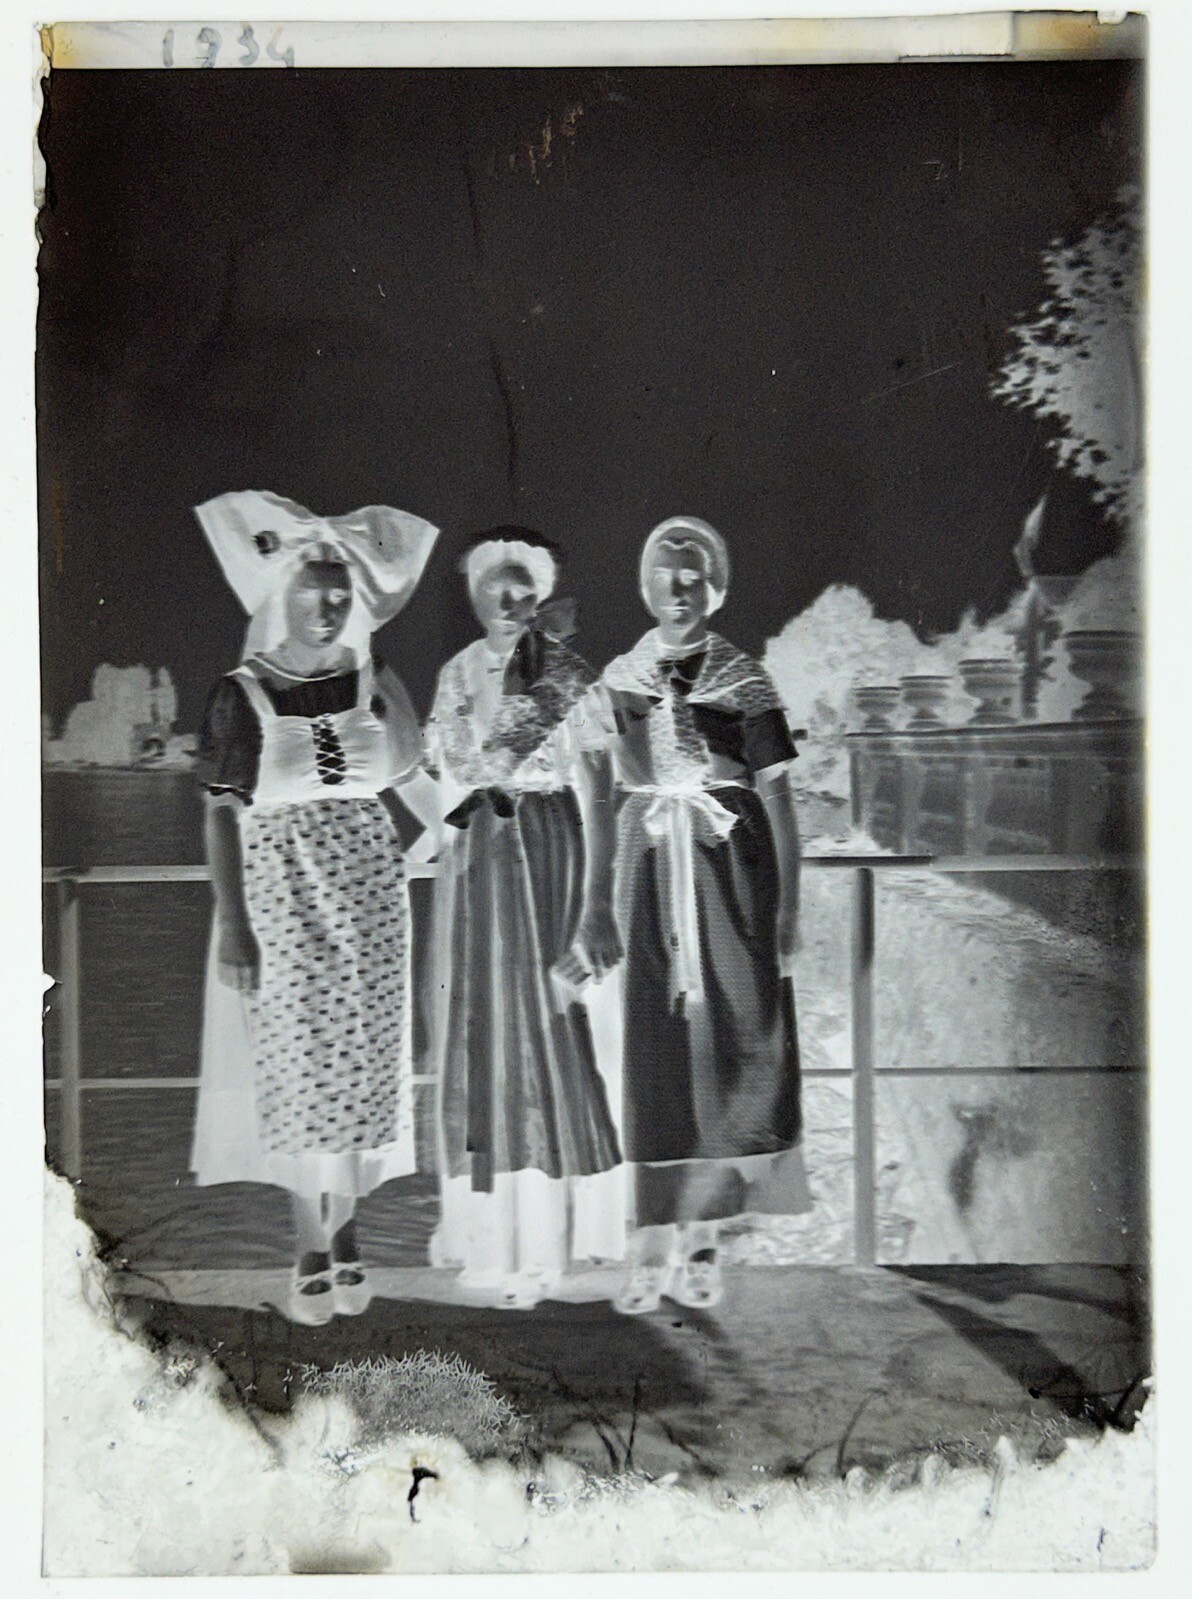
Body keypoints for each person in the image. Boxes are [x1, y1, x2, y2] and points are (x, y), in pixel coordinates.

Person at [190, 489, 440, 1325]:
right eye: (311, 590)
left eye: (341, 593)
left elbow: (415, 783)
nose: (327, 606)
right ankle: (308, 1243)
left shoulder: (375, 679)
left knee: (363, 1069)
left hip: (372, 895)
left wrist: (476, 831)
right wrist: (236, 923)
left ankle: (351, 1236)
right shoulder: (240, 692)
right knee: (299, 1070)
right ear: (280, 595)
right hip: (282, 897)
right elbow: (221, 813)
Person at [560, 516, 812, 1314]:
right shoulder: (620, 677)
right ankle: (649, 1242)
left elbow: (776, 795)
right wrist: (596, 899)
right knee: (655, 1052)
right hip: (649, 878)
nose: (679, 589)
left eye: (693, 577)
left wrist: (790, 906)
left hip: (732, 880)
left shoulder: (745, 677)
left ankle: (705, 1235)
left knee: (732, 1048)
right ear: (645, 586)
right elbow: (597, 796)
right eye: (665, 575)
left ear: (715, 588)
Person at [421, 527, 625, 1310]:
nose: (506, 601)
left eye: (520, 586)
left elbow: (601, 797)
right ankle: (487, 1243)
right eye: (490, 587)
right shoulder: (453, 674)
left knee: (545, 1047)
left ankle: (544, 1251)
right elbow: (444, 775)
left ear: (540, 593)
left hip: (547, 857)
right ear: (471, 595)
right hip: (476, 866)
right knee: (479, 1047)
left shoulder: (569, 677)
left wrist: (597, 907)